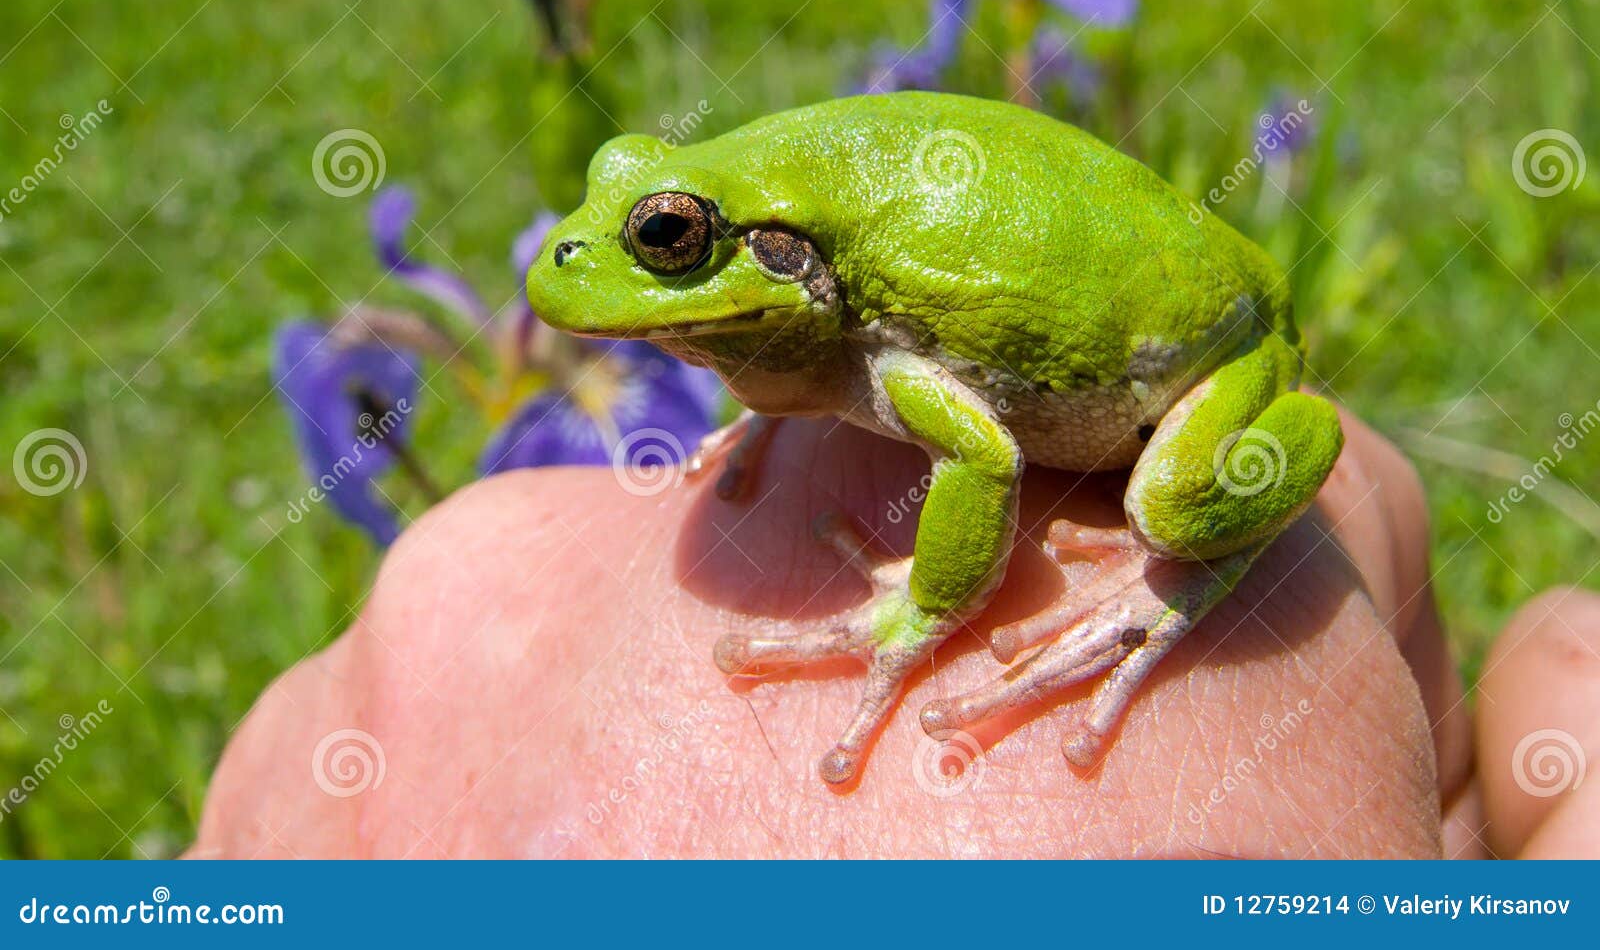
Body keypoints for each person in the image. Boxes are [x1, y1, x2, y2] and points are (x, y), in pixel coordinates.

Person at [189, 410, 1598, 858]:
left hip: (1193, 390)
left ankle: (1170, 594)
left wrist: (924, 606)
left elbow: (974, 450)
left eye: (669, 241)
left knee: (1173, 504)